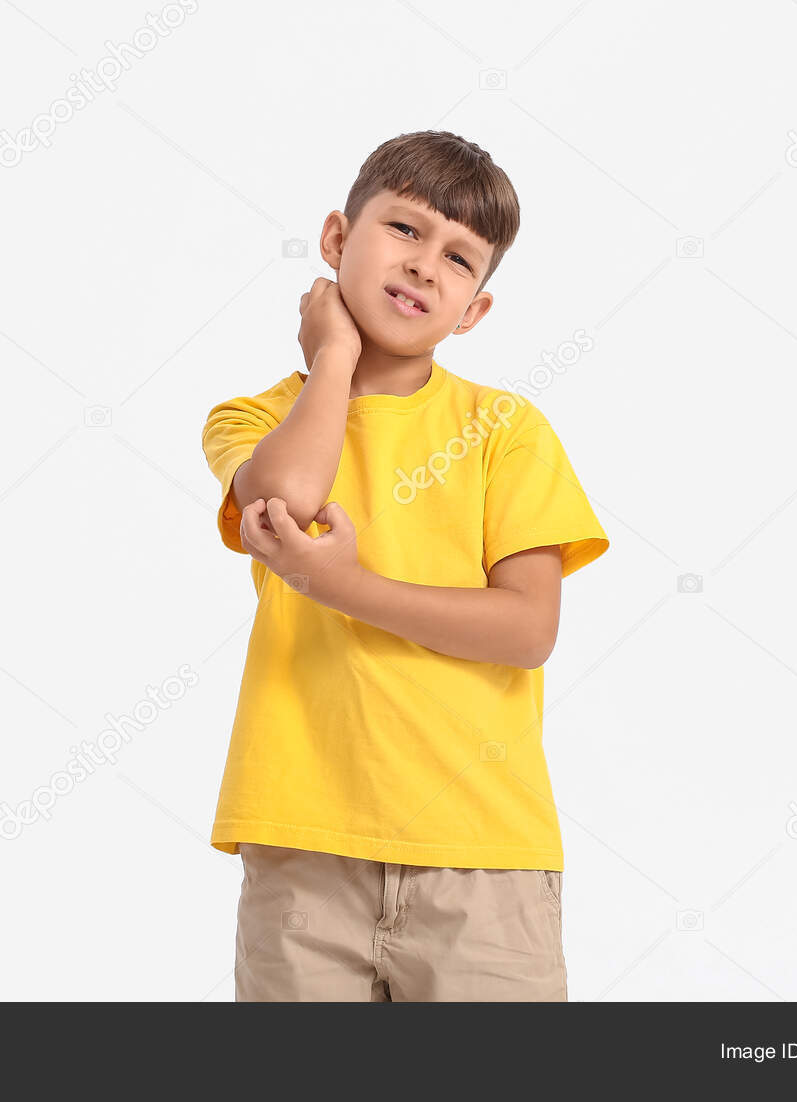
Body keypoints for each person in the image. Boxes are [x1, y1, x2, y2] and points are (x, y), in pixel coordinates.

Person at [200, 130, 609, 1001]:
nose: (425, 266)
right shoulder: (254, 418)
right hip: (305, 850)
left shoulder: (506, 430)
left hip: (482, 860)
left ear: (474, 311)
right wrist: (335, 361)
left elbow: (528, 629)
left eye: (459, 258)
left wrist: (344, 587)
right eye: (405, 231)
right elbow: (288, 503)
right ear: (339, 242)